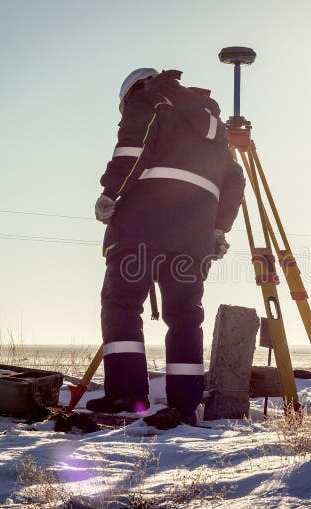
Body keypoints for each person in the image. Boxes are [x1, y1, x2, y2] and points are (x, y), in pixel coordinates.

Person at [88, 67, 245, 427]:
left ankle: (127, 393)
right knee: (186, 314)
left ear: (128, 94)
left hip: (141, 229)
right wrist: (218, 229)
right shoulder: (212, 125)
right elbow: (235, 180)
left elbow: (132, 149)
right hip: (193, 238)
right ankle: (185, 404)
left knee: (121, 303)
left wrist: (109, 193)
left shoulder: (147, 97)